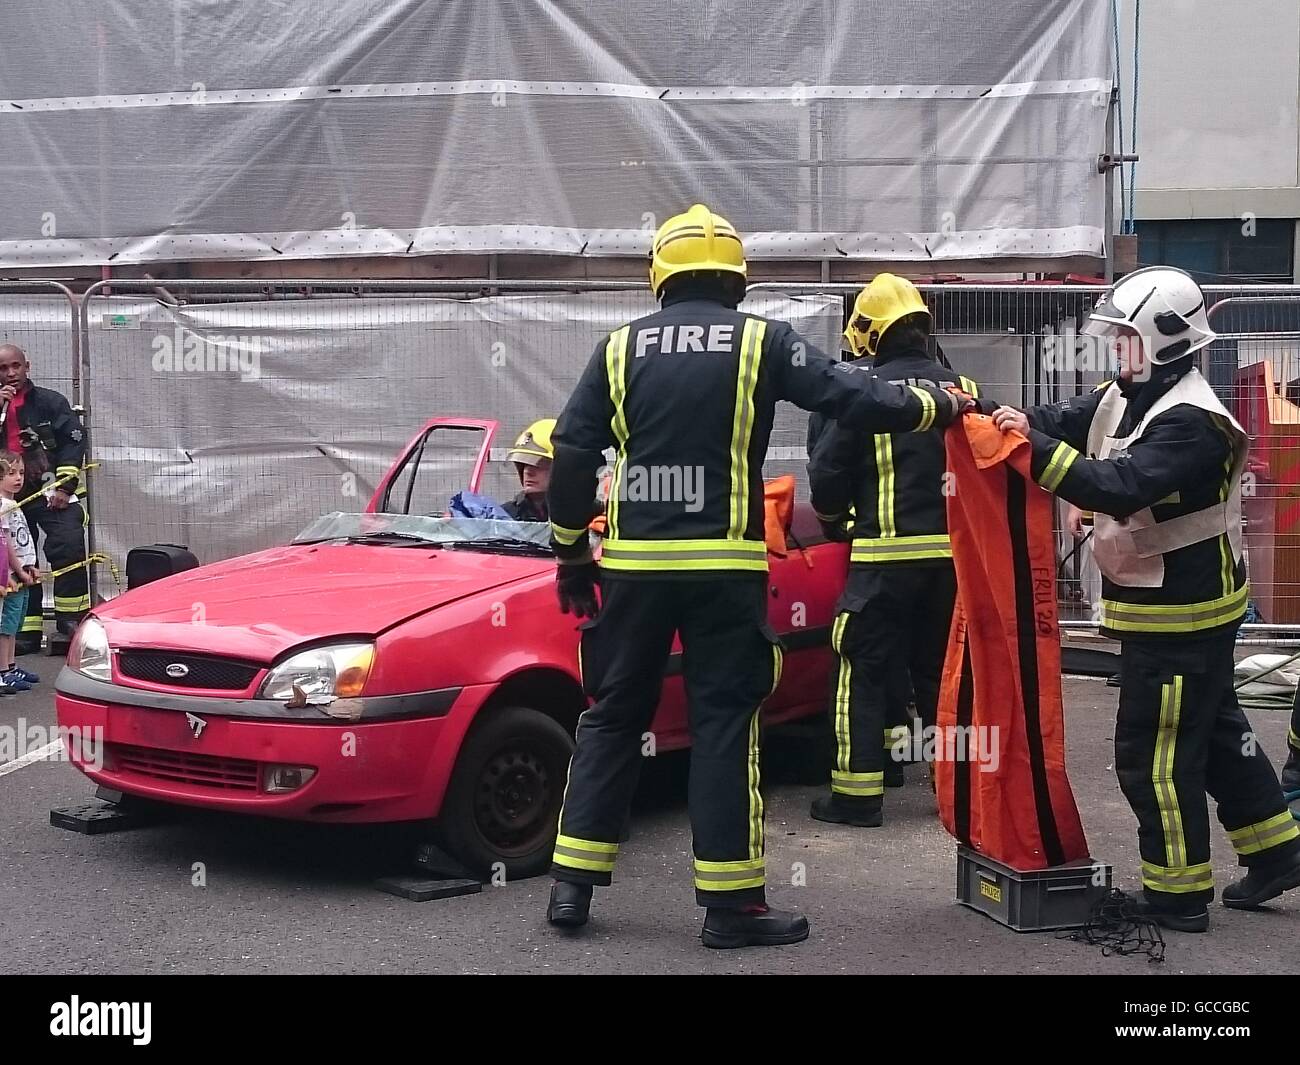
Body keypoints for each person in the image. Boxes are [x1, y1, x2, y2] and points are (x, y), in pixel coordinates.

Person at [543, 203, 966, 948]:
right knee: (724, 727)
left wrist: (573, 552)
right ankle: (731, 907)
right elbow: (852, 396)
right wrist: (934, 404)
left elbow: (575, 451)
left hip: (635, 570)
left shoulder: (618, 349)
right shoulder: (763, 341)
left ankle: (572, 886)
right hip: (726, 572)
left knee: (611, 716)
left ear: (660, 278)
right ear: (738, 280)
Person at [991, 266, 1300, 932]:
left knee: (1153, 753)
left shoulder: (1192, 420)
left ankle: (1177, 894)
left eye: (1125, 338)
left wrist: (1029, 449)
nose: (1115, 350)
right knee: (1217, 737)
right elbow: (1073, 420)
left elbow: (1119, 483)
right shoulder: (1132, 391)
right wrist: (1014, 418)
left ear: (1162, 341)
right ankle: (1278, 852)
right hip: (1172, 610)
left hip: (1181, 619)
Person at [807, 274, 980, 826]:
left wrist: (836, 523)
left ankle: (858, 796)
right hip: (952, 563)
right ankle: (956, 791)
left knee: (861, 667)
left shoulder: (866, 393)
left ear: (871, 331)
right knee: (941, 675)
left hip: (883, 559)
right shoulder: (963, 389)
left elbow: (828, 471)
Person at [0, 344, 88, 652]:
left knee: (68, 545)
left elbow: (73, 444)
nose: (11, 373)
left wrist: (64, 488)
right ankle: (25, 628)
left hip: (51, 490)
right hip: (8, 497)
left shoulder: (51, 402)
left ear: (28, 366)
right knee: (18, 558)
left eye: (16, 366)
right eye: (3, 368)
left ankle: (70, 621)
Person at [0, 451, 42, 693]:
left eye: (21, 473)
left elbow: (21, 541)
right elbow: (6, 545)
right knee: (6, 626)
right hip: (11, 577)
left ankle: (11, 665)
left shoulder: (13, 504)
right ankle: (4, 671)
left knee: (14, 624)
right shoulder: (3, 506)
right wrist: (17, 572)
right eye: (11, 473)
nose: (18, 478)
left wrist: (30, 566)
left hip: (21, 573)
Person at [501, 419, 555, 522]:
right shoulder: (505, 516)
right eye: (524, 464)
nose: (527, 472)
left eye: (538, 464)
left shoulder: (585, 515)